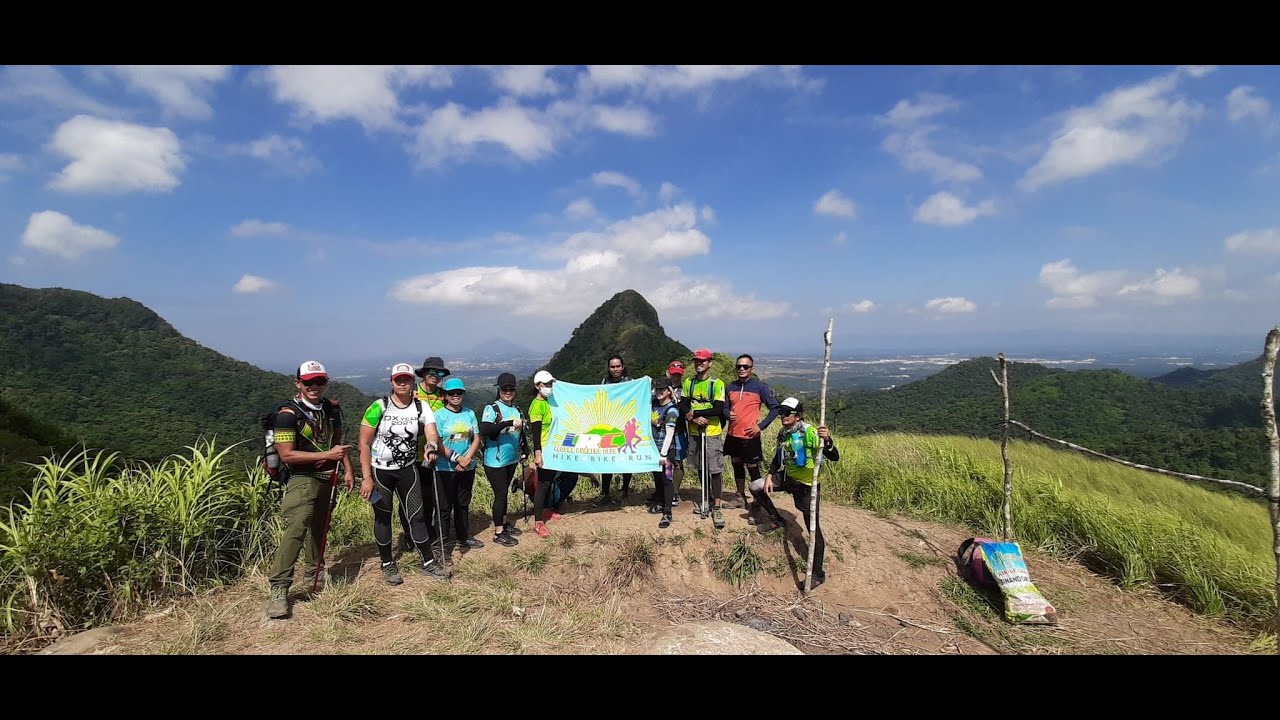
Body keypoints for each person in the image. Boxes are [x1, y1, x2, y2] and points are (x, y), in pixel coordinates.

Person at [266, 360, 354, 619]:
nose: (315, 386)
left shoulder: (330, 409)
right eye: (309, 382)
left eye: (320, 381)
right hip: (302, 478)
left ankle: (314, 571)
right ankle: (279, 588)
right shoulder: (287, 415)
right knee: (296, 529)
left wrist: (347, 469)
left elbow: (339, 443)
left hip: (328, 476)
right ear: (298, 384)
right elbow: (287, 455)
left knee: (320, 525)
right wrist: (329, 454)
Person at [357, 363, 449, 583]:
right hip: (381, 472)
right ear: (391, 382)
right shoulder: (378, 407)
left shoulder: (421, 407)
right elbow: (363, 443)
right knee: (383, 517)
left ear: (411, 382)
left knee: (416, 515)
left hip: (408, 470)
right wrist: (367, 477)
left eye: (406, 379)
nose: (402, 383)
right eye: (398, 379)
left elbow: (431, 433)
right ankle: (388, 563)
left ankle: (428, 562)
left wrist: (430, 447)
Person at [747, 397, 840, 589]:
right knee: (756, 487)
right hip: (788, 477)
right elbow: (777, 456)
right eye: (781, 412)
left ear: (798, 416)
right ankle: (776, 519)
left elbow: (834, 456)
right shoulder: (784, 432)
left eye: (786, 413)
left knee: (812, 528)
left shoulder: (810, 432)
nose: (782, 416)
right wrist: (771, 475)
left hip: (807, 485)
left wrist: (828, 440)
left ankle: (818, 574)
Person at [433, 377, 483, 557]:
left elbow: (475, 438)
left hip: (466, 467)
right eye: (451, 393)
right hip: (445, 468)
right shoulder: (439, 415)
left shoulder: (469, 413)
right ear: (445, 395)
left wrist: (466, 459)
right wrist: (457, 459)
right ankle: (442, 544)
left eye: (459, 393)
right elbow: (436, 443)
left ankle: (463, 537)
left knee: (462, 504)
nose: (455, 396)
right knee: (444, 507)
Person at [723, 354, 780, 510]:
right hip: (733, 435)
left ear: (751, 369)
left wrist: (760, 426)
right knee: (737, 465)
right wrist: (727, 414)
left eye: (745, 366)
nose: (741, 369)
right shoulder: (730, 387)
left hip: (750, 436)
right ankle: (740, 497)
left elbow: (775, 409)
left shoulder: (759, 387)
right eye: (739, 366)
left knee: (753, 467)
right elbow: (724, 407)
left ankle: (758, 500)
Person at [527, 370, 579, 538]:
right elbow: (535, 433)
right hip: (545, 450)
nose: (549, 387)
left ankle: (550, 509)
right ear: (537, 386)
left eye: (550, 384)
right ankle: (538, 522)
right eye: (546, 384)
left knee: (569, 476)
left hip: (556, 448)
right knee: (543, 484)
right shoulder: (536, 405)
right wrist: (538, 454)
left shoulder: (549, 401)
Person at [681, 348, 728, 529]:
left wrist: (697, 413)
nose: (698, 364)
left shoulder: (716, 384)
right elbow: (683, 403)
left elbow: (718, 408)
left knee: (714, 469)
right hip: (694, 432)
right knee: (701, 467)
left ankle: (716, 505)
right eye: (696, 361)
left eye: (702, 361)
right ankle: (705, 498)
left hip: (712, 432)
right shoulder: (689, 382)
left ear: (710, 363)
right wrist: (692, 416)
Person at [480, 372, 528, 547]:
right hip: (495, 460)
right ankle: (498, 532)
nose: (508, 392)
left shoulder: (517, 409)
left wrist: (525, 450)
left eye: (511, 389)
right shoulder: (492, 409)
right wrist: (508, 423)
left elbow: (521, 434)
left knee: (504, 493)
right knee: (500, 495)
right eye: (504, 389)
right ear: (499, 390)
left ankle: (505, 523)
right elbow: (486, 430)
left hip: (510, 459)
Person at [595, 354, 633, 505]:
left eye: (618, 366)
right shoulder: (604, 382)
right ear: (608, 368)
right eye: (612, 366)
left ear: (623, 367)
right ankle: (605, 492)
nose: (615, 369)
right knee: (607, 460)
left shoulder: (631, 382)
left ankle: (624, 490)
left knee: (625, 458)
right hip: (609, 426)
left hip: (626, 425)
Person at [647, 378, 683, 529]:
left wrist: (663, 455)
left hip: (666, 451)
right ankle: (661, 503)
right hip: (654, 448)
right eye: (657, 389)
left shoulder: (672, 410)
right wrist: (646, 382)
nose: (659, 392)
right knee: (657, 477)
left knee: (667, 480)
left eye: (663, 389)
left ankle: (667, 513)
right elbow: (642, 395)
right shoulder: (654, 404)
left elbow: (669, 434)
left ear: (669, 391)